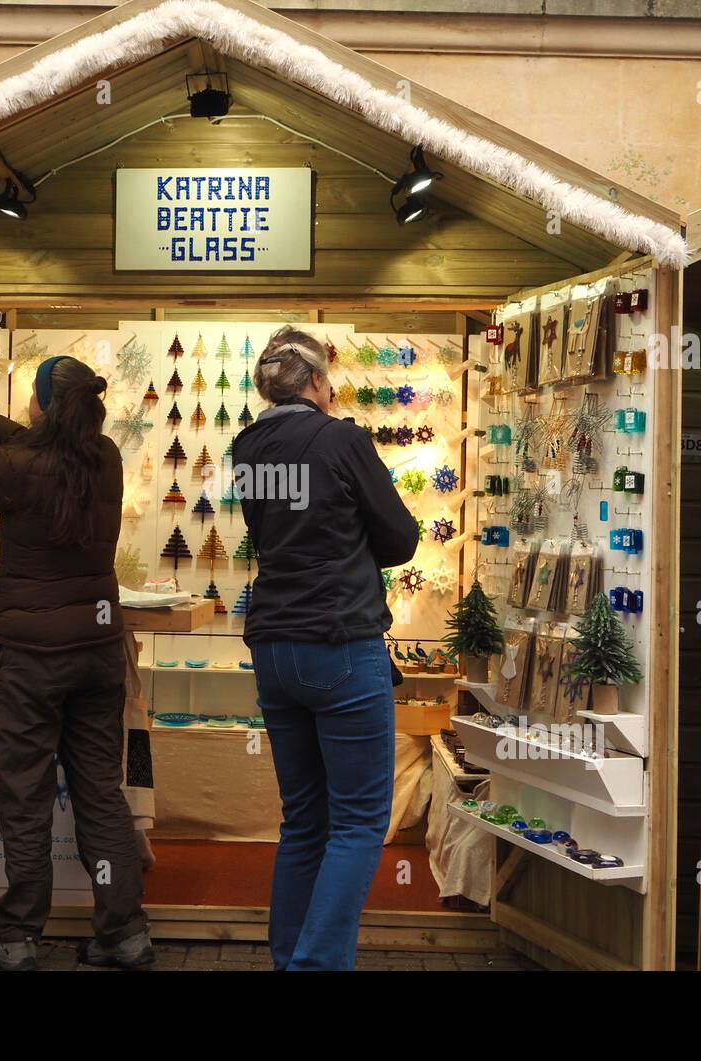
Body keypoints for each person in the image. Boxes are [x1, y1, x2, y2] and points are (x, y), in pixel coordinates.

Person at [0, 355, 153, 971]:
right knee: (100, 792)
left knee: (24, 793)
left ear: (45, 406)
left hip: (32, 663)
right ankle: (123, 931)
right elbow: (29, 445)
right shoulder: (102, 456)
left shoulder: (22, 468)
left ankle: (19, 935)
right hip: (97, 657)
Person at [231, 326, 419, 971]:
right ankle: (315, 966)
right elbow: (399, 537)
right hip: (339, 640)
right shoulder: (342, 438)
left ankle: (293, 958)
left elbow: (273, 530)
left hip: (274, 645)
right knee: (362, 821)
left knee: (304, 822)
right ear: (315, 382)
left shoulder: (247, 447)